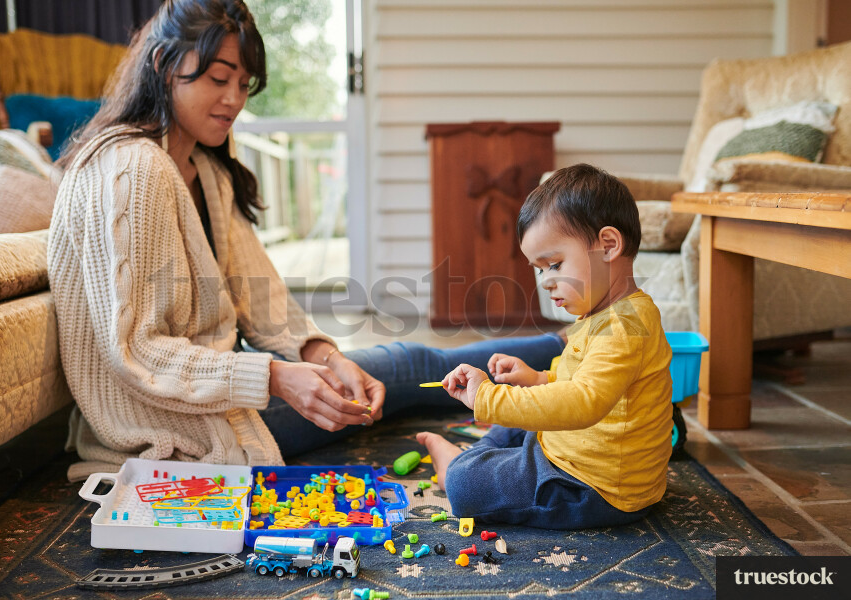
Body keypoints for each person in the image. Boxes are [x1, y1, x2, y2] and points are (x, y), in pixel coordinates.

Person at [49, 0, 564, 482]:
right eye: (218, 78)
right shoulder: (131, 170)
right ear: (164, 63)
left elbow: (264, 300)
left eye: (244, 83)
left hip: (217, 398)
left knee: (392, 369)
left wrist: (325, 358)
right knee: (408, 368)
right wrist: (275, 377)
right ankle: (569, 353)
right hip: (170, 425)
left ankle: (572, 354)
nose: (234, 100)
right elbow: (138, 352)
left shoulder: (205, 170)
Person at [417, 164, 673, 529]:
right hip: (572, 449)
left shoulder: (625, 324)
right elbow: (580, 381)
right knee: (514, 426)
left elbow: (584, 402)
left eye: (554, 265)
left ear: (609, 246)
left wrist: (487, 398)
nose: (547, 282)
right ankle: (479, 457)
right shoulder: (600, 313)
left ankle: (457, 468)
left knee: (465, 483)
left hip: (595, 487)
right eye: (540, 271)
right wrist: (538, 378)